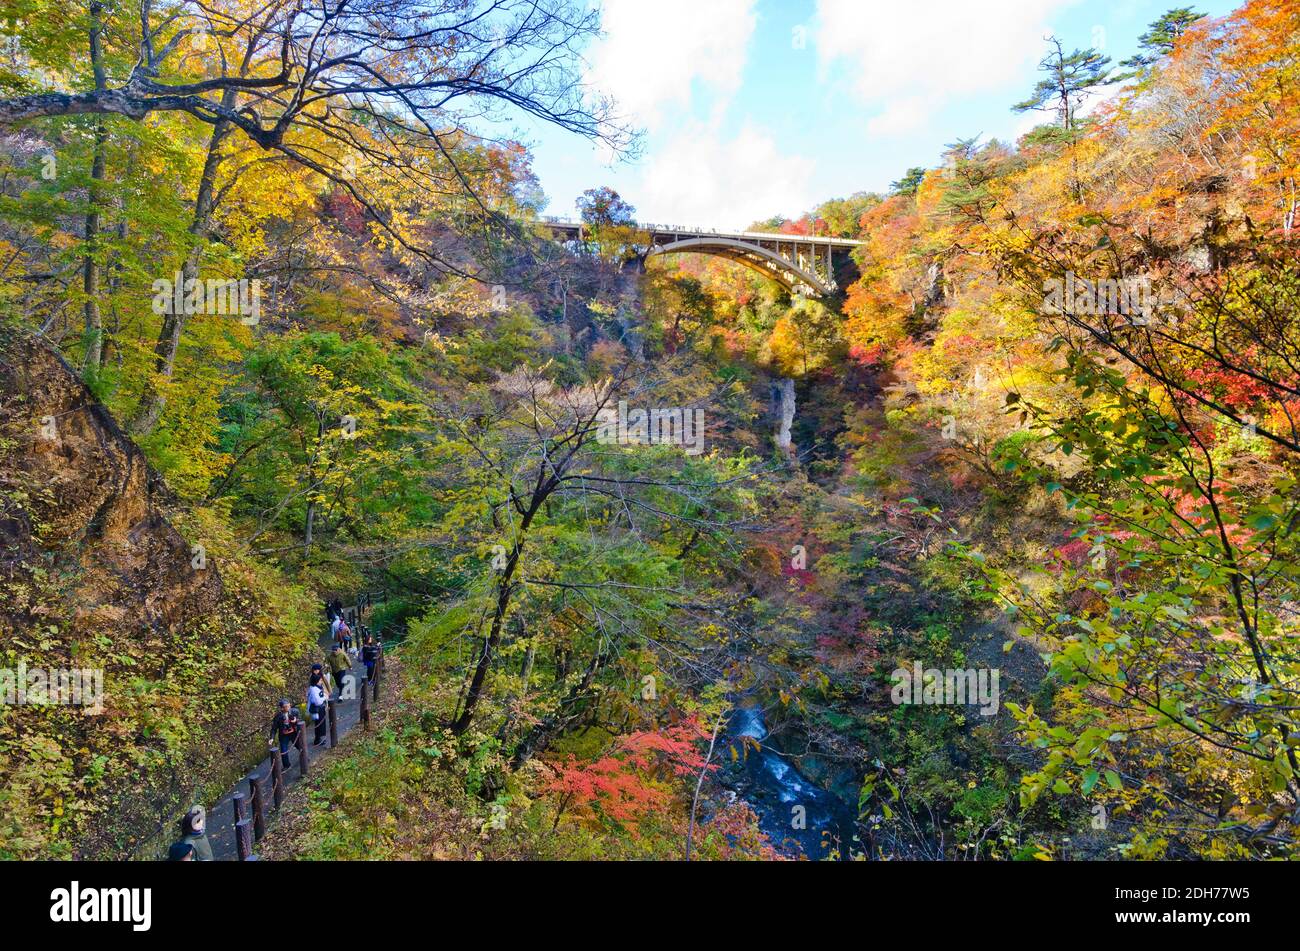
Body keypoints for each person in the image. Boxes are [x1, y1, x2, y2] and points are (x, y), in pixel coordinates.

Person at [269, 699, 301, 768]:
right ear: (282, 708)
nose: (288, 707)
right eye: (286, 706)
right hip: (284, 735)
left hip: (293, 733)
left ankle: (304, 757)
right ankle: (287, 766)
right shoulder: (278, 716)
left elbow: (300, 721)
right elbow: (274, 729)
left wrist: (295, 721)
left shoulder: (294, 711)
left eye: (289, 705)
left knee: (300, 746)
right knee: (284, 751)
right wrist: (271, 738)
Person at [307, 673, 328, 746]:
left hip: (320, 708)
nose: (321, 681)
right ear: (316, 681)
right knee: (319, 724)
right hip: (318, 709)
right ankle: (318, 739)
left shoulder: (317, 687)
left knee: (321, 724)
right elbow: (317, 701)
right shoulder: (314, 689)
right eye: (320, 680)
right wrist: (324, 698)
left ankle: (319, 738)